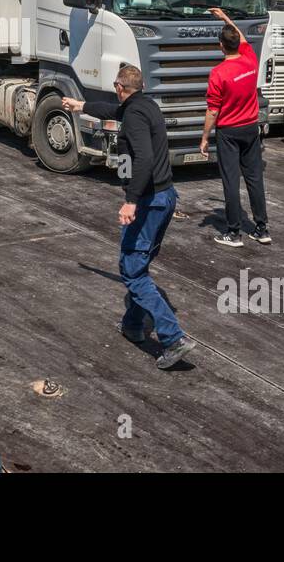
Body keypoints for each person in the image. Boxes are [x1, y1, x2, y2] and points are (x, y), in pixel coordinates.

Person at [62, 66, 196, 370]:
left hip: (148, 200)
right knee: (140, 265)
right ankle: (133, 326)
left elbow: (145, 158)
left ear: (119, 86)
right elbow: (113, 109)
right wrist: (80, 105)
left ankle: (174, 338)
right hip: (165, 196)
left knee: (133, 271)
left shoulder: (134, 115)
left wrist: (131, 201)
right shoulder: (145, 105)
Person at [200, 7, 269, 247]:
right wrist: (227, 19)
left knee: (231, 181)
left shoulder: (218, 73)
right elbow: (241, 38)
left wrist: (205, 137)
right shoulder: (250, 60)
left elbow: (213, 111)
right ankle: (261, 228)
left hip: (229, 132)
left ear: (221, 46)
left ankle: (233, 232)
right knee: (254, 178)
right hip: (251, 128)